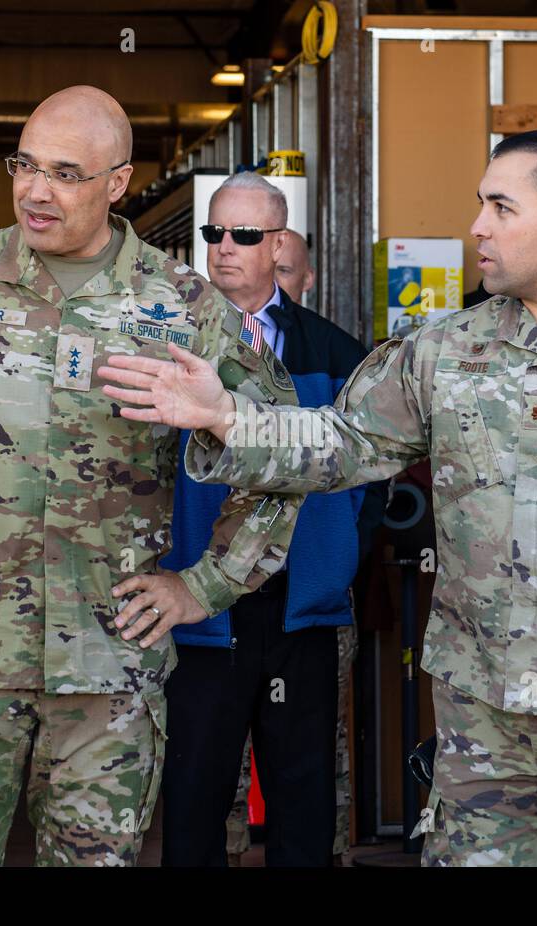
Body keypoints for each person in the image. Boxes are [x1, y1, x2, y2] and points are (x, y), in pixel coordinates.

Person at [100, 127, 537, 866]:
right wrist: (226, 416)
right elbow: (342, 444)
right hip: (484, 732)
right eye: (480, 205)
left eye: (501, 208)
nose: (477, 226)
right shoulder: (444, 349)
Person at [0, 85, 303, 867]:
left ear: (117, 183)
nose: (36, 190)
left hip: (111, 674)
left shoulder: (183, 306)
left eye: (66, 174)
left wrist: (202, 587)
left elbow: (279, 447)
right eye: (24, 166)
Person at [161, 174, 383, 867]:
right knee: (194, 798)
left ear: (279, 242)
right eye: (214, 234)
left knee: (303, 799)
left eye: (245, 235)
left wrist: (332, 562)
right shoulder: (165, 342)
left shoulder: (336, 353)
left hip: (299, 611)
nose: (225, 248)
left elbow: (371, 472)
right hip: (200, 608)